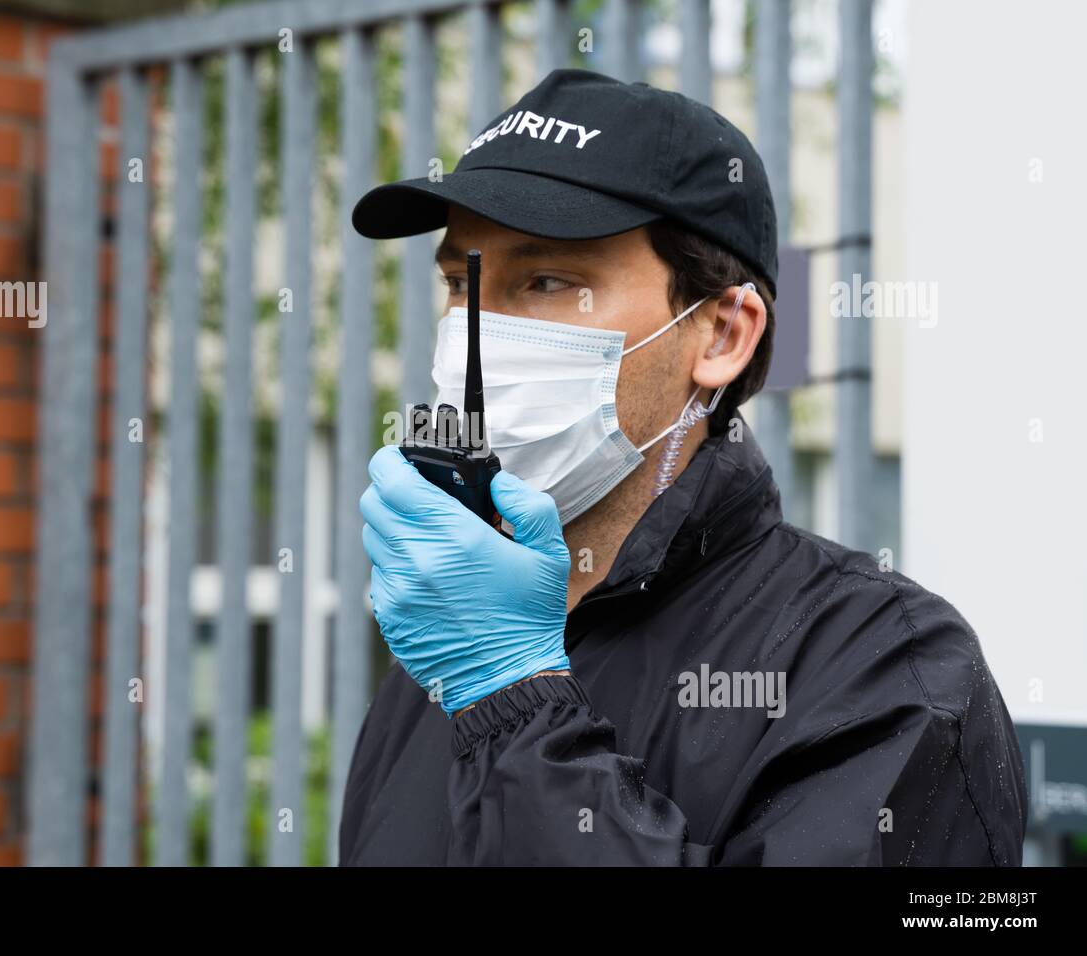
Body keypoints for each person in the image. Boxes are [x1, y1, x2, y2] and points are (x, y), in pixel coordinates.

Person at [339, 69, 1026, 866]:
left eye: (548, 280)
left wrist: (515, 703)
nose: (474, 334)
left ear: (724, 334)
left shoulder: (886, 671)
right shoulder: (441, 657)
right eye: (464, 281)